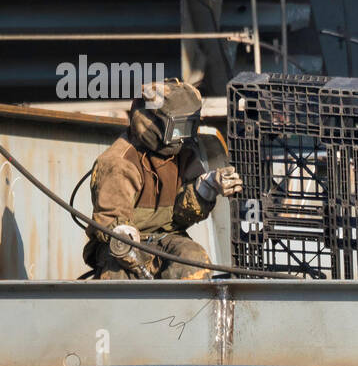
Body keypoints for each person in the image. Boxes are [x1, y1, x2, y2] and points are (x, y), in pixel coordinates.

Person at [84, 79, 242, 279]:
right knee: (120, 280)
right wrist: (125, 237)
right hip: (121, 247)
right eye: (178, 128)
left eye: (190, 126)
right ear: (155, 123)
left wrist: (206, 187)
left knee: (193, 259)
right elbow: (110, 223)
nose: (183, 137)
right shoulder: (120, 163)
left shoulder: (184, 153)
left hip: (165, 237)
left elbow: (178, 217)